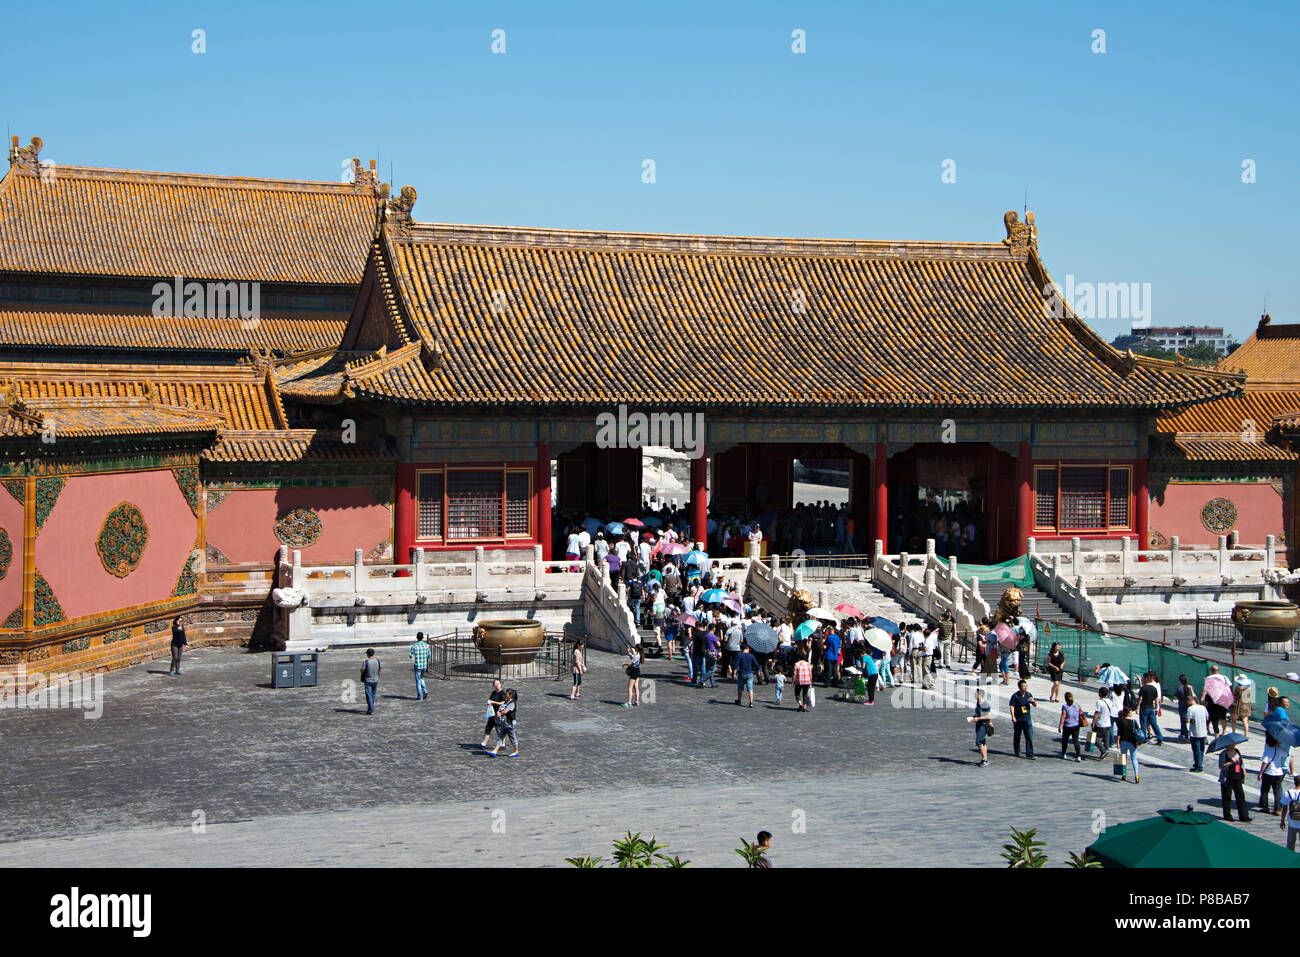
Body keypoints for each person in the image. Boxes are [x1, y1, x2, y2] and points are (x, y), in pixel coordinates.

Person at [1259, 734, 1293, 814]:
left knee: (1265, 790)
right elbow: (1287, 754)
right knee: (1277, 791)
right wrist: (1279, 746)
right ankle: (1277, 809)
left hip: (1269, 773)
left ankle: (1265, 807)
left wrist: (1260, 773)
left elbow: (1264, 762)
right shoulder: (1279, 749)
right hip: (1279, 773)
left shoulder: (1267, 750)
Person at [1218, 741, 1252, 821]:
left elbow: (1241, 763)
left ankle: (1244, 816)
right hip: (1227, 777)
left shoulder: (1237, 751)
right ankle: (1227, 815)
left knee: (1241, 796)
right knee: (1227, 796)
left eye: (1234, 744)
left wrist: (1243, 770)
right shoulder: (1224, 753)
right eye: (1231, 744)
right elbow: (1221, 766)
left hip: (1237, 777)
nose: (1233, 745)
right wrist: (1230, 762)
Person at [486, 688, 519, 757]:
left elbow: (505, 711)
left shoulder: (512, 703)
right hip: (504, 723)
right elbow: (502, 707)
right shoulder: (507, 701)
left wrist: (499, 713)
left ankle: (516, 751)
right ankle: (495, 750)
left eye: (507, 694)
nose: (505, 695)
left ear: (510, 695)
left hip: (509, 723)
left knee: (512, 737)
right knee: (500, 737)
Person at [1009, 679, 1037, 758]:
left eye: (1026, 686)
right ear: (1019, 687)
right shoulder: (1015, 696)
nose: (1025, 688)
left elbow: (1035, 705)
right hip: (1018, 718)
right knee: (1017, 735)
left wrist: (1033, 701)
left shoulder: (1028, 695)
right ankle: (1017, 751)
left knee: (1029, 735)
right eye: (1023, 686)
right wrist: (1013, 716)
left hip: (1027, 718)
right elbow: (1012, 706)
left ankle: (1030, 752)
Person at [1115, 706, 1141, 783]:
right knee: (1134, 759)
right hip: (1132, 742)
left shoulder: (1121, 721)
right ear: (1129, 713)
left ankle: (1124, 774)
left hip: (1123, 742)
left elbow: (1119, 733)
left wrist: (1117, 742)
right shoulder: (1134, 722)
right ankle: (1136, 775)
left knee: (1124, 759)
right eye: (1131, 712)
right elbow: (1138, 733)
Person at [1137, 672, 1164, 746]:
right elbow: (1156, 699)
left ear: (1146, 679)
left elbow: (1140, 699)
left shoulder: (1143, 688)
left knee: (1143, 723)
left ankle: (1144, 738)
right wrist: (1156, 708)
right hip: (1151, 708)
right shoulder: (1154, 688)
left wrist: (1137, 707)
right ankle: (1160, 738)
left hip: (1144, 708)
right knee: (1154, 724)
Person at [1058, 691, 1085, 761]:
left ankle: (1063, 754)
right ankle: (1078, 756)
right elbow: (1081, 713)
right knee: (1076, 741)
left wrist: (1060, 726)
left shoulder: (1065, 706)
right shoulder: (1077, 705)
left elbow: (1063, 716)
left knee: (1065, 740)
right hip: (1076, 725)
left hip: (1067, 725)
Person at [1091, 686, 1116, 759]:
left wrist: (1093, 722)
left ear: (1101, 693)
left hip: (1100, 723)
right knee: (1106, 739)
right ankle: (1105, 751)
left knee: (1095, 738)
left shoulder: (1099, 702)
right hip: (1108, 723)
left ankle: (1103, 751)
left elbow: (1097, 713)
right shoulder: (1110, 701)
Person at [970, 687, 993, 767]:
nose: (974, 695)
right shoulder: (978, 703)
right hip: (979, 724)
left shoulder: (984, 704)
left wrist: (978, 718)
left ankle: (985, 760)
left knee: (979, 742)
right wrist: (974, 717)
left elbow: (989, 715)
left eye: (976, 693)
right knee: (982, 742)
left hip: (983, 725)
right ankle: (984, 759)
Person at [1187, 695, 1210, 772]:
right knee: (1201, 750)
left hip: (1195, 732)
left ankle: (1199, 766)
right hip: (1203, 732)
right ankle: (1198, 763)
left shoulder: (1190, 709)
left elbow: (1188, 720)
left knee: (1196, 750)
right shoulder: (1203, 707)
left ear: (1190, 701)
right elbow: (1207, 718)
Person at [480, 678, 506, 747]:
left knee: (499, 729)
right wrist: (489, 703)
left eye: (498, 684)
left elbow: (503, 703)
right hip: (492, 713)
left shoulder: (502, 694)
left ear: (501, 684)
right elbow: (490, 699)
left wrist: (493, 702)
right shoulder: (493, 693)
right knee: (488, 728)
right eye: (495, 684)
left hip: (498, 714)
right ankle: (483, 743)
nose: (496, 685)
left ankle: (503, 744)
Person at [734, 641, 759, 708]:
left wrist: (734, 673)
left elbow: (736, 665)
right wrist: (758, 671)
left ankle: (739, 700)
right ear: (747, 648)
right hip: (749, 674)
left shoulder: (740, 655)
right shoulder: (751, 656)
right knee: (750, 688)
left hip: (742, 673)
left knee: (740, 688)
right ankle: (751, 702)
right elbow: (756, 665)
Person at [408, 631, 430, 701]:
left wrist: (413, 655)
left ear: (417, 638)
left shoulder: (414, 646)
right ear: (422, 638)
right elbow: (428, 655)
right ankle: (425, 691)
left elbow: (410, 655)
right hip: (424, 664)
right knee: (421, 678)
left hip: (418, 665)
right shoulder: (426, 646)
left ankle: (420, 696)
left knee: (418, 680)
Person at [1281, 773, 1300, 851]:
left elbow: (1284, 808)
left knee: (1290, 843)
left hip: (1292, 822)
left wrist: (1282, 821)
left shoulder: (1288, 793)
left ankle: (1289, 859)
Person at [622, 643, 645, 707]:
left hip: (634, 672)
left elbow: (630, 663)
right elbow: (632, 658)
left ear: (637, 648)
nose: (634, 648)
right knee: (636, 686)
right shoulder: (639, 655)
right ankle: (637, 701)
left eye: (635, 648)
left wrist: (624, 664)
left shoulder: (637, 655)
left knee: (630, 687)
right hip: (637, 671)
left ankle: (629, 703)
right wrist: (629, 652)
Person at [360, 648, 381, 715]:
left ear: (367, 654)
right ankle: (370, 708)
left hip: (368, 680)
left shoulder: (366, 662)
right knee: (372, 695)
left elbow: (362, 670)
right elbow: (380, 668)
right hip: (375, 679)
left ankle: (371, 709)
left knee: (368, 695)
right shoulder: (377, 660)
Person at [1175, 674, 1195, 741]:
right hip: (1190, 706)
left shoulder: (1179, 688)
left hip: (1182, 706)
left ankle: (1185, 734)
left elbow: (1175, 696)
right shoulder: (1191, 687)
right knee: (1191, 720)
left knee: (1183, 721)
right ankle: (1185, 733)